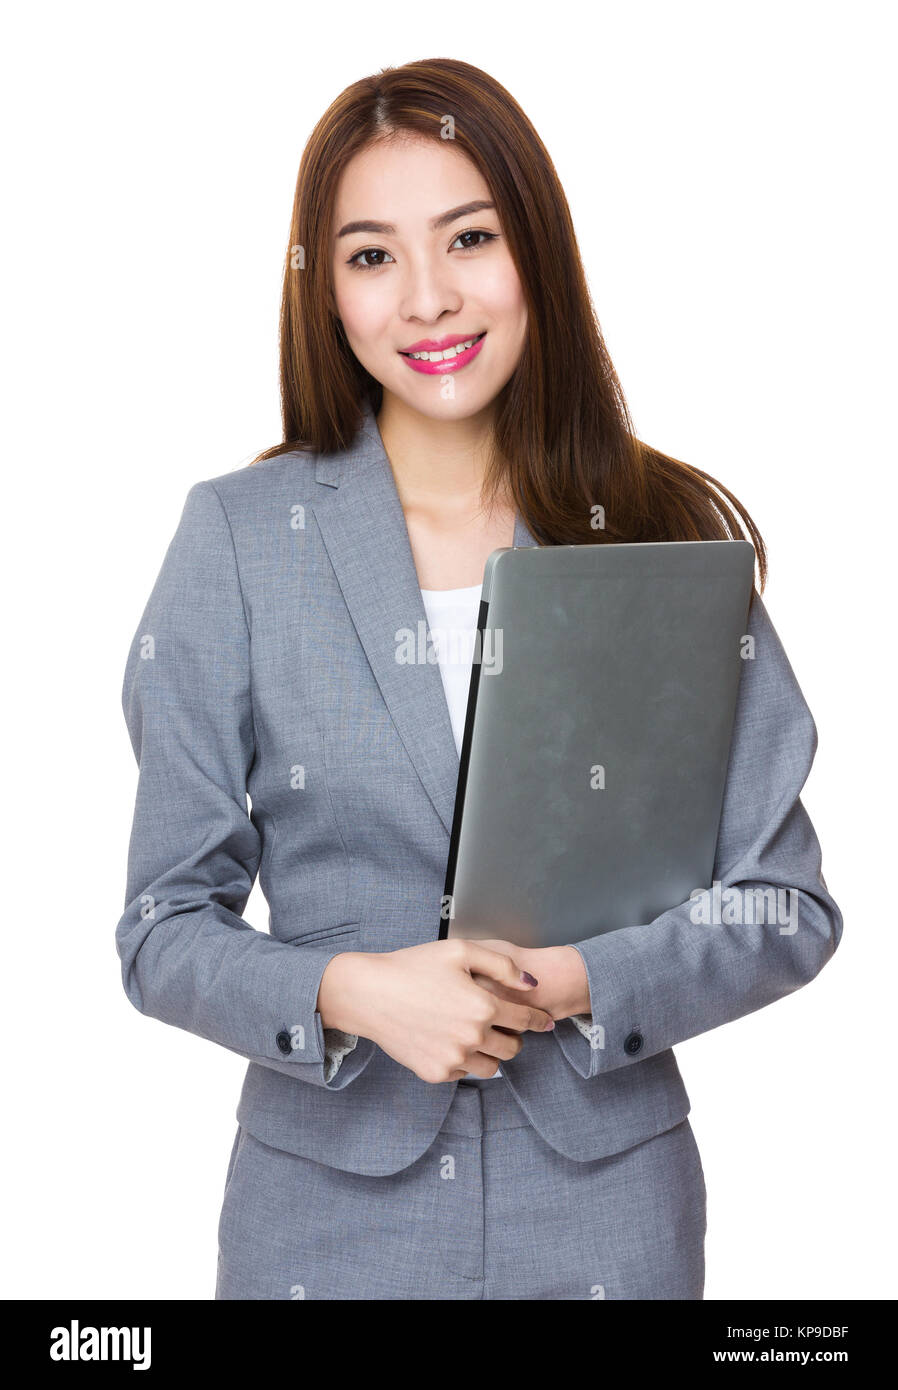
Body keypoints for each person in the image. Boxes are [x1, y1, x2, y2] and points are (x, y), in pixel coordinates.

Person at [116, 57, 843, 1300]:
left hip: (609, 1214)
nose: (430, 298)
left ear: (535, 253)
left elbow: (784, 902)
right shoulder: (239, 540)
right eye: (371, 256)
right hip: (323, 1221)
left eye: (468, 237)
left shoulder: (655, 527)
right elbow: (160, 929)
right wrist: (353, 992)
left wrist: (582, 980)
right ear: (326, 290)